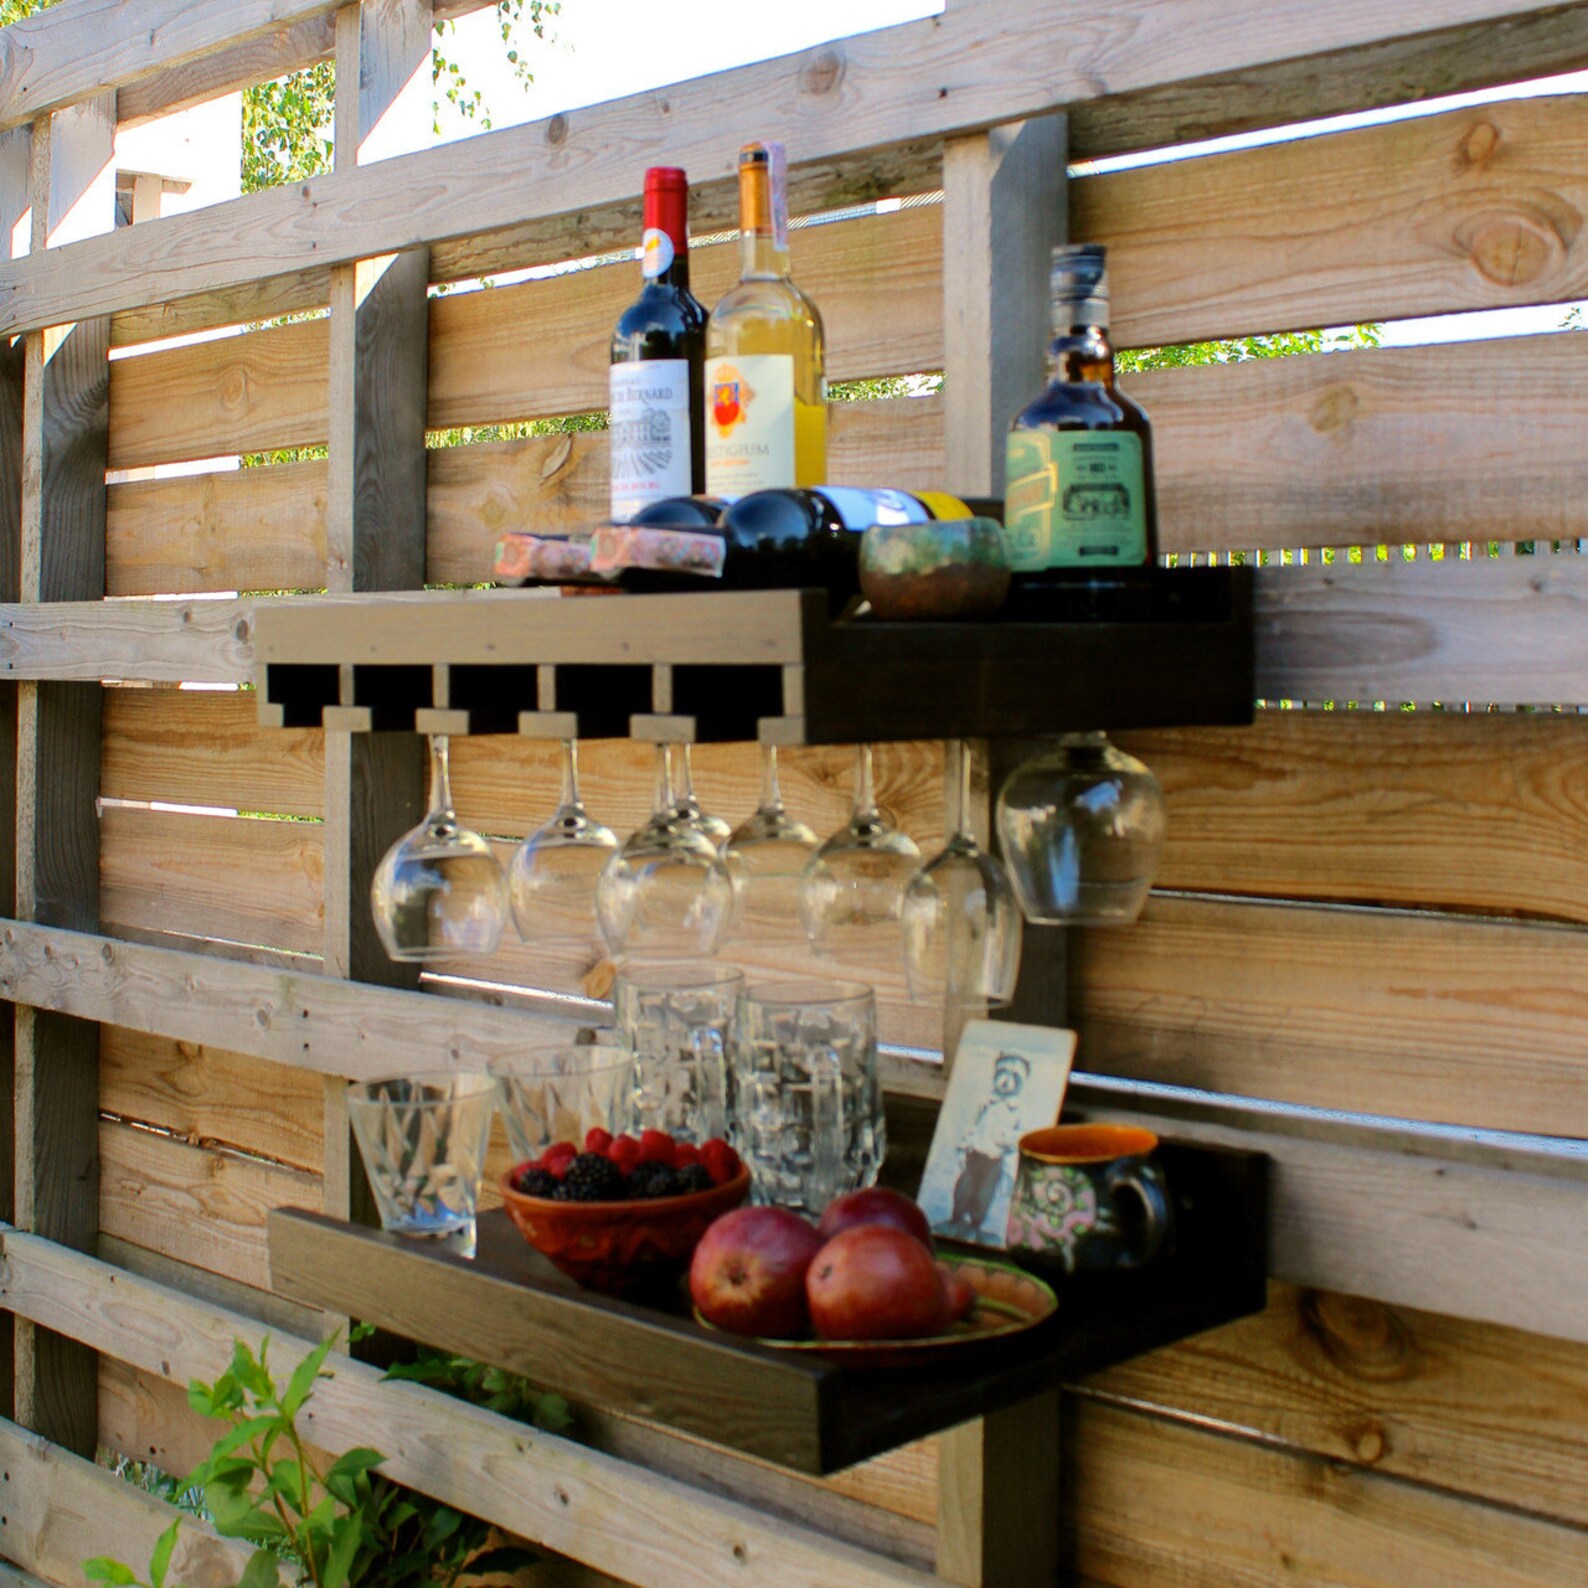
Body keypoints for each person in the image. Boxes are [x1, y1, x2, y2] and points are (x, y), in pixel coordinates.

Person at [946, 1051, 1032, 1241]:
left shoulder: (1016, 1110)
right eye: (1003, 1073)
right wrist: (963, 1145)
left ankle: (976, 1222)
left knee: (985, 1192)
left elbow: (1021, 1136)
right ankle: (957, 1216)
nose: (1006, 1081)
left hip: (995, 1159)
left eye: (1014, 1077)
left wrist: (1008, 1139)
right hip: (975, 1154)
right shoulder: (985, 1102)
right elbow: (971, 1124)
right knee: (965, 1186)